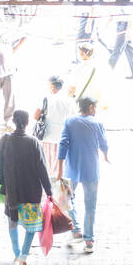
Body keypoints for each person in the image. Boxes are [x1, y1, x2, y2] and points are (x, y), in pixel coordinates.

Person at [0, 109, 52, 265]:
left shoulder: (5, 140)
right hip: (31, 192)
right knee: (31, 226)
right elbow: (42, 170)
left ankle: (17, 253)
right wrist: (49, 191)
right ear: (27, 123)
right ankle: (24, 257)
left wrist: (4, 172)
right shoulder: (33, 142)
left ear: (13, 121)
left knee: (12, 222)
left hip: (11, 191)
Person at [57, 95, 109, 254]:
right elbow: (104, 144)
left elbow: (63, 144)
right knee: (90, 206)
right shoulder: (97, 123)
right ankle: (89, 241)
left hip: (70, 170)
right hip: (91, 170)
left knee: (65, 199)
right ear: (91, 108)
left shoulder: (70, 121)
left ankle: (76, 230)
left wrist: (59, 168)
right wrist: (106, 155)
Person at [0, 18, 25, 128]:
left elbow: (24, 36)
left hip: (8, 69)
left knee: (9, 96)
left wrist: (15, 49)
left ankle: (9, 119)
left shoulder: (8, 33)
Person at [33, 75, 73, 177]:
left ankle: (47, 191)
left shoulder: (45, 98)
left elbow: (35, 116)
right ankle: (58, 190)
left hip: (47, 137)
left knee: (46, 166)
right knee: (60, 168)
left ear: (52, 86)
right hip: (62, 137)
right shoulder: (68, 100)